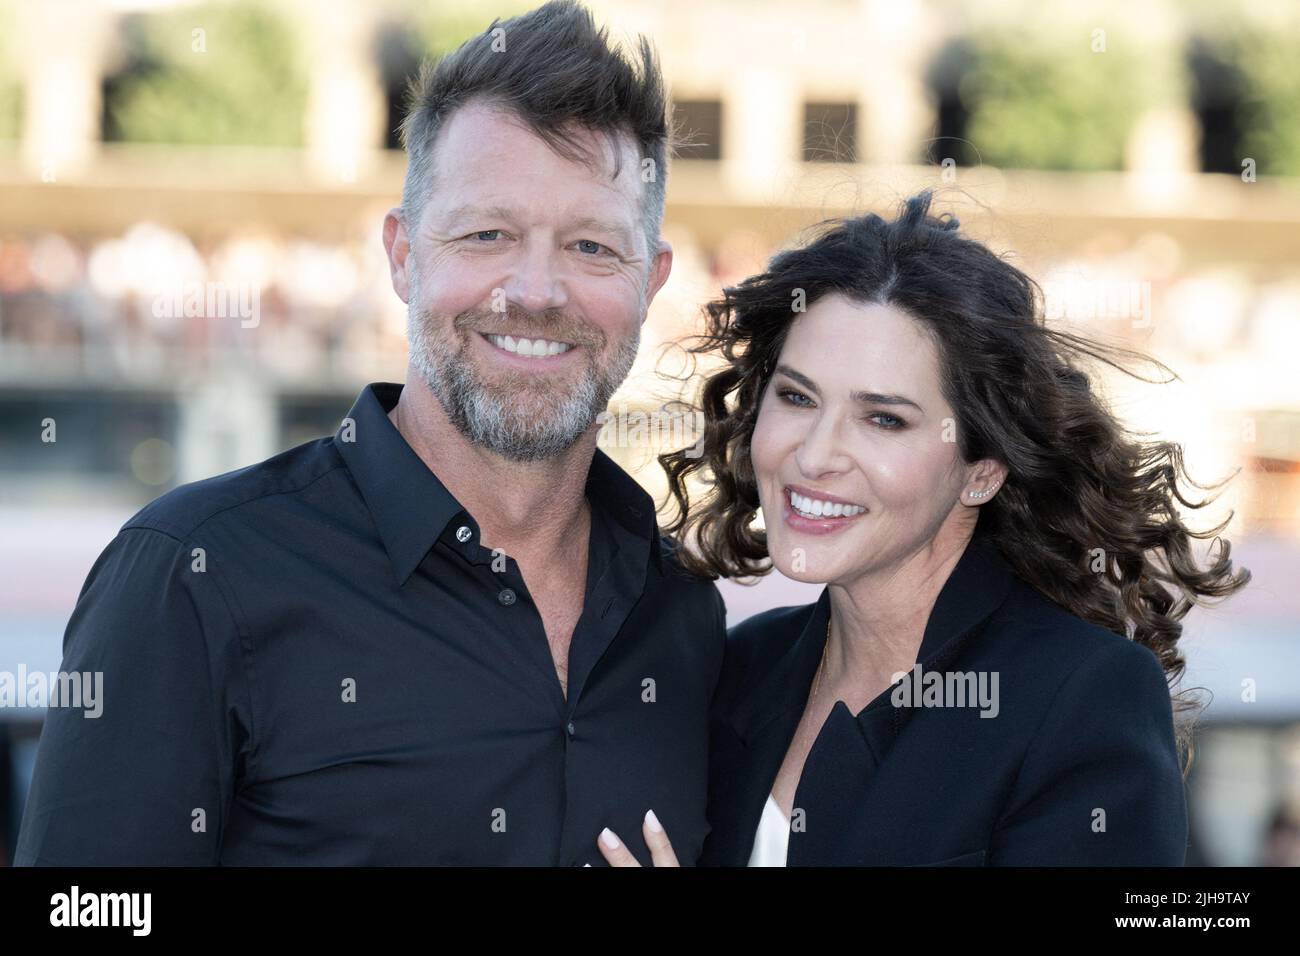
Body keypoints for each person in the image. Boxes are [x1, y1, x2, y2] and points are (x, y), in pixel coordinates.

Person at [16, 0, 725, 866]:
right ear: (401, 255)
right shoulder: (194, 578)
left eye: (591, 247)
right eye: (486, 233)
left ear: (651, 282)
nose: (537, 291)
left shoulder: (682, 616)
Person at [594, 191, 1250, 867]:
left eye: (884, 419)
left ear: (981, 471)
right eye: (796, 397)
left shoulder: (1081, 698)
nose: (816, 455)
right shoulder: (739, 668)